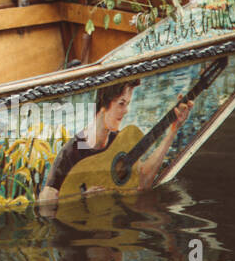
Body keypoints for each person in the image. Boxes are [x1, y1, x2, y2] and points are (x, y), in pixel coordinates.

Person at [36, 80, 192, 205]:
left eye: (128, 104)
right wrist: (79, 199)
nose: (126, 111)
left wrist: (173, 130)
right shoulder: (71, 152)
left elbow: (143, 182)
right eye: (121, 104)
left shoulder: (119, 142)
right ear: (104, 106)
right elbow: (45, 201)